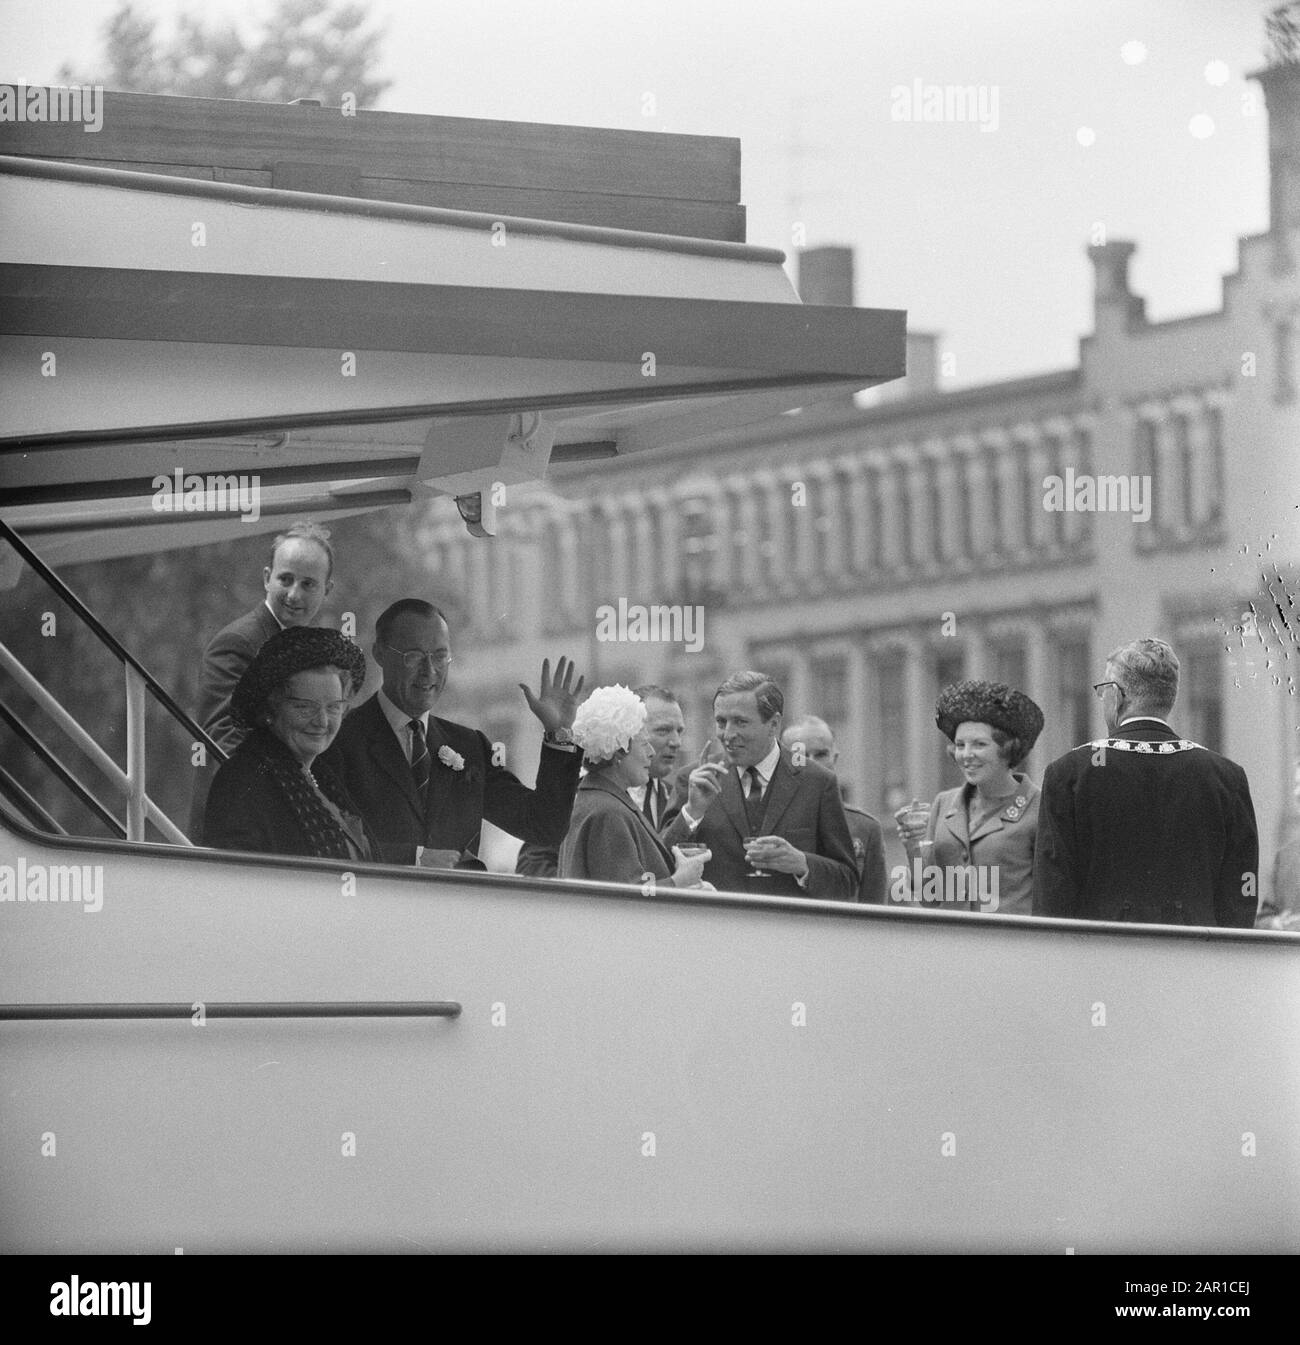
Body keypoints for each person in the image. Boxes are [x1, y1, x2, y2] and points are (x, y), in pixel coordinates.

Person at [319, 598, 583, 867]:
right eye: (414, 656)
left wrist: (558, 735)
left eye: (440, 656)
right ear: (380, 654)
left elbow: (542, 826)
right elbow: (325, 844)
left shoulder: (469, 747)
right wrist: (416, 859)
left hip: (460, 907)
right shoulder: (338, 741)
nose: (429, 670)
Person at [1032, 637, 1259, 927]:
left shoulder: (1069, 774)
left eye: (1103, 691)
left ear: (1117, 695)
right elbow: (1241, 893)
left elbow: (1052, 896)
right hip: (1197, 961)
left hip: (1099, 960)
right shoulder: (1227, 777)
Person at [188, 522, 335, 842]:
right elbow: (224, 738)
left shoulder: (313, 652)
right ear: (267, 578)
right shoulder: (237, 644)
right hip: (239, 829)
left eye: (309, 584)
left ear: (327, 590)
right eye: (286, 579)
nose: (294, 595)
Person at [661, 671, 858, 900]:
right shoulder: (693, 779)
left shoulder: (817, 782)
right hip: (716, 929)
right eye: (721, 722)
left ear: (773, 724)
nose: (728, 734)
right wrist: (691, 813)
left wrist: (801, 863)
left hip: (787, 932)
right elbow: (658, 864)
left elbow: (848, 882)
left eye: (741, 722)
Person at [204, 626, 374, 860]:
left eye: (333, 707)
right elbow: (236, 883)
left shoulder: (324, 776)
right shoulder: (242, 779)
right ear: (271, 708)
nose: (322, 721)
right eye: (305, 707)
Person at [893, 681, 1044, 915]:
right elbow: (928, 898)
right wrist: (913, 846)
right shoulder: (943, 804)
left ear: (1008, 749)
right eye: (960, 745)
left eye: (979, 745)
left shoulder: (1041, 809)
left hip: (1012, 946)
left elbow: (1052, 897)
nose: (966, 755)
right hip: (952, 945)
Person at [515, 682, 685, 879]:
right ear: (621, 746)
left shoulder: (671, 794)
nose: (675, 742)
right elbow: (626, 896)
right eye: (661, 731)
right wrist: (679, 881)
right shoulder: (601, 807)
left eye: (680, 731)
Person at [558, 685, 711, 888]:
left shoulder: (595, 799)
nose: (650, 752)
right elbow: (628, 899)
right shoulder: (608, 811)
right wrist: (680, 881)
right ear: (620, 750)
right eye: (644, 743)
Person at [781, 714, 888, 904]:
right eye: (800, 755)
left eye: (821, 754)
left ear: (834, 758)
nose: (812, 762)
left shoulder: (865, 829)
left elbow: (876, 911)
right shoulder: (760, 823)